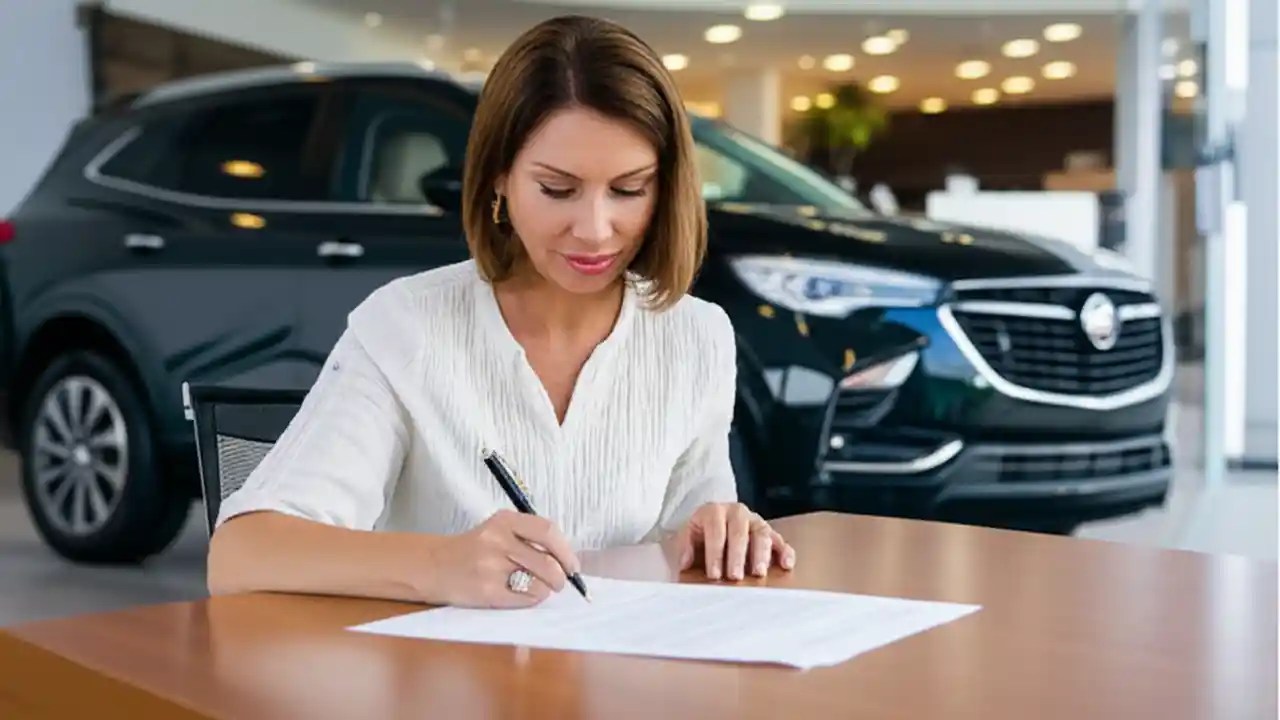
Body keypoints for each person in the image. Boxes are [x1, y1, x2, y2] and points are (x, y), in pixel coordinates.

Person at [207, 15, 795, 609]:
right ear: (500, 182)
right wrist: (440, 565)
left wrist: (724, 532)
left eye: (628, 189)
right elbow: (241, 554)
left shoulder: (697, 336)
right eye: (557, 189)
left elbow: (691, 529)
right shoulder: (407, 326)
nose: (595, 230)